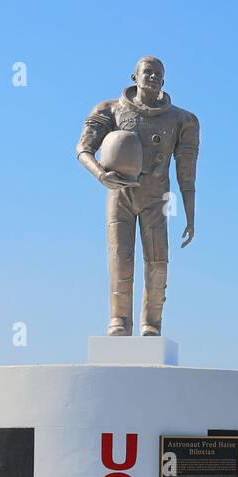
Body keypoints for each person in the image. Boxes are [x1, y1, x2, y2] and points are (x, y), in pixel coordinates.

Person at [76, 56, 200, 337]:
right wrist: (100, 174)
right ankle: (119, 319)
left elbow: (187, 173)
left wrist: (191, 216)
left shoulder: (182, 120)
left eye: (158, 73)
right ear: (134, 77)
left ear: (164, 81)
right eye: (148, 71)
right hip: (120, 193)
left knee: (158, 261)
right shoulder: (110, 110)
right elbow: (83, 148)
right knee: (120, 258)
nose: (153, 77)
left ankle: (151, 323)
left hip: (157, 197)